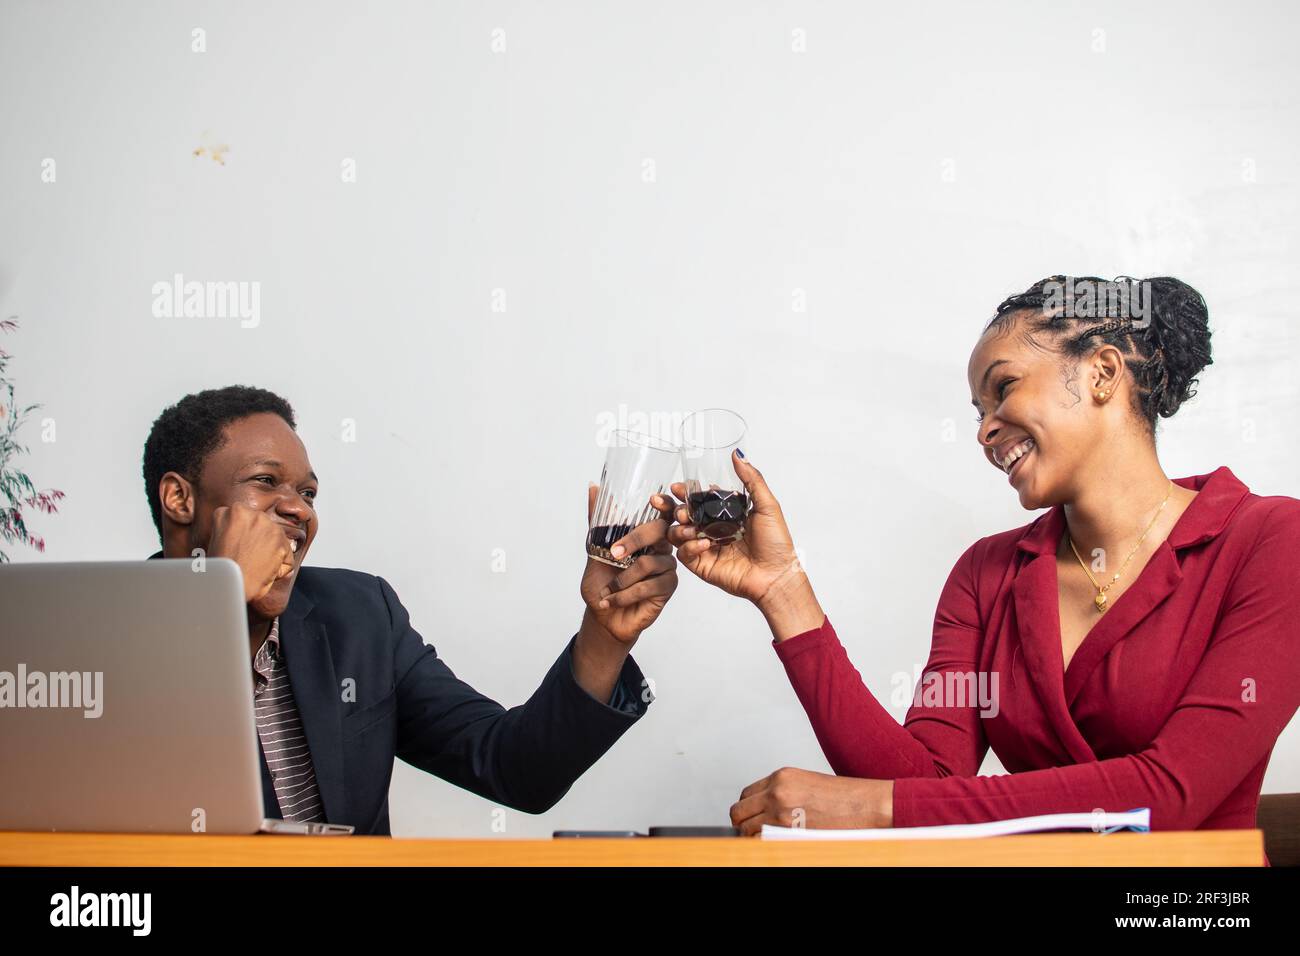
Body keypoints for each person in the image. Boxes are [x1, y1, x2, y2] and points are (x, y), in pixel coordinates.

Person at [658, 275, 1300, 850]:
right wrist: (783, 591)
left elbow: (1171, 793)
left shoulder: (1271, 540)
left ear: (1102, 373)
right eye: (978, 411)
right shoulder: (987, 574)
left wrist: (872, 807)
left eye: (1004, 388)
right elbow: (925, 780)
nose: (985, 429)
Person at [141, 386, 677, 834]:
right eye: (265, 481)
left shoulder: (360, 616)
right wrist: (222, 600)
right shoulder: (96, 640)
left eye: (308, 492)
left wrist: (604, 631)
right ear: (179, 499)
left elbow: (516, 769)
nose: (299, 508)